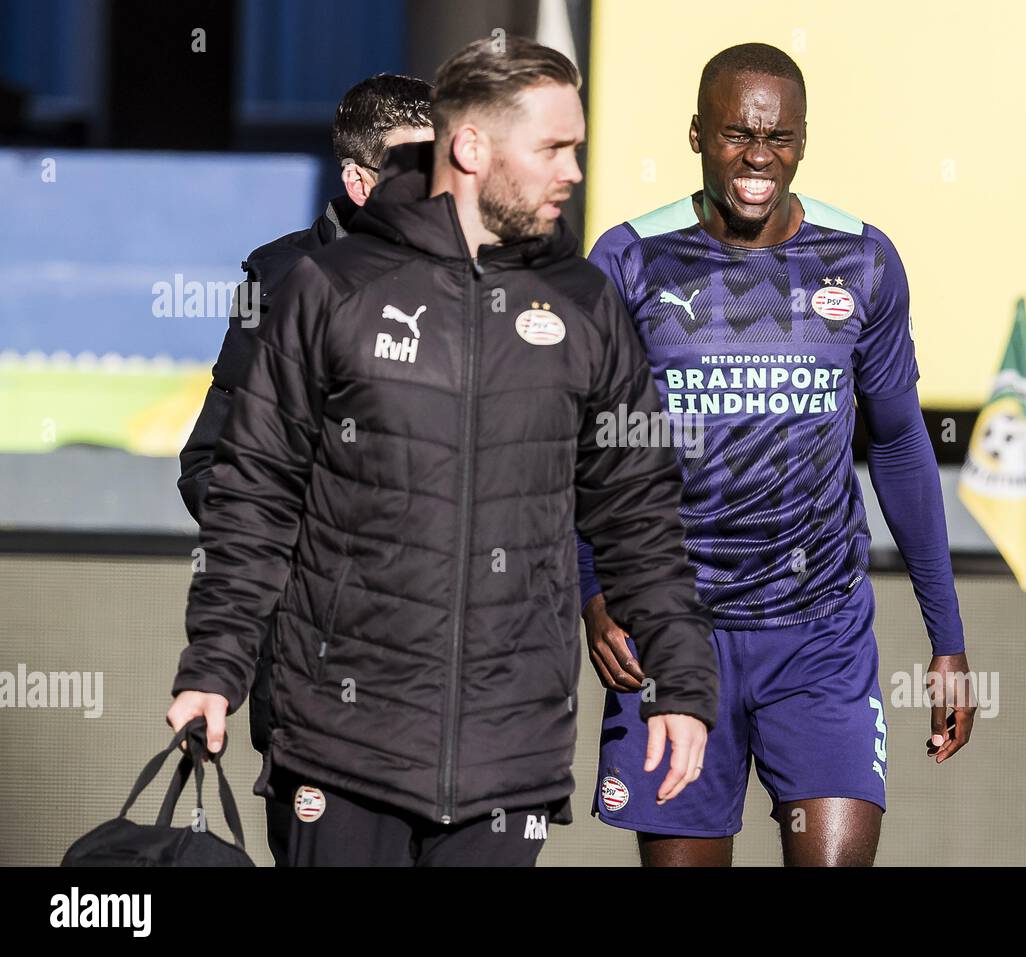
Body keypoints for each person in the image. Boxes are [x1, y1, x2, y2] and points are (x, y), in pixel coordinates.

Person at [167, 36, 717, 867]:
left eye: (578, 148)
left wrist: (683, 677)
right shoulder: (334, 288)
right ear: (470, 148)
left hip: (511, 754)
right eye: (553, 149)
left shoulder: (585, 305)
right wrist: (215, 665)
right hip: (341, 748)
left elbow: (638, 507)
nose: (572, 171)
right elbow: (254, 491)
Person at [580, 43, 975, 867]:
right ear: (696, 134)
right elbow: (579, 448)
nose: (759, 158)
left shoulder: (861, 259)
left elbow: (900, 443)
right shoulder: (629, 260)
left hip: (820, 638)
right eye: (736, 135)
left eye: (779, 138)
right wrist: (592, 591)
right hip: (675, 639)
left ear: (802, 140)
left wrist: (947, 637)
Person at [175, 72, 435, 865]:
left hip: (458, 684)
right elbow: (213, 464)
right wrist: (320, 570)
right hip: (319, 679)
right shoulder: (285, 278)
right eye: (413, 167)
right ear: (359, 181)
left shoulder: (490, 283)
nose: (441, 187)